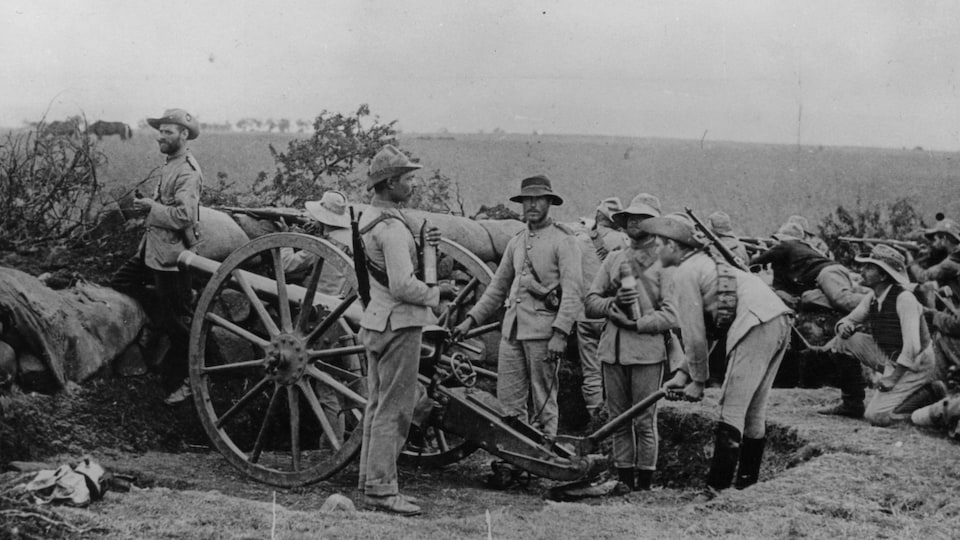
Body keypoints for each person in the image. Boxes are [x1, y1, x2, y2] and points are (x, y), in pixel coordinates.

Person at [646, 215, 793, 493]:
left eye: (659, 245)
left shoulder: (686, 273)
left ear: (674, 246)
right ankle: (746, 487)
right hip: (777, 319)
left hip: (756, 322)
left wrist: (698, 382)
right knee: (753, 412)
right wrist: (684, 374)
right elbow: (713, 330)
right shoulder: (705, 264)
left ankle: (716, 491)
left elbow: (694, 334)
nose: (655, 251)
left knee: (732, 408)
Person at [356, 144, 453, 516]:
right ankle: (382, 491)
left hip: (378, 321)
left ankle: (370, 482)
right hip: (401, 323)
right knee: (395, 410)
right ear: (391, 182)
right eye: (408, 178)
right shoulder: (392, 230)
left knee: (377, 405)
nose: (412, 184)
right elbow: (402, 286)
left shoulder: (371, 220)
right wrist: (437, 292)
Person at [452, 175, 583, 438]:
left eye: (538, 199)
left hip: (543, 334)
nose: (532, 205)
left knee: (544, 398)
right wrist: (470, 320)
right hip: (512, 332)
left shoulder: (564, 241)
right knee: (509, 399)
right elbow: (497, 288)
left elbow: (572, 292)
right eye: (527, 200)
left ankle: (547, 452)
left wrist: (560, 334)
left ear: (549, 202)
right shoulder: (517, 242)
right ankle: (515, 455)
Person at [584, 193, 678, 492]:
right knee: (617, 421)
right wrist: (612, 303)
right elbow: (590, 301)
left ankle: (645, 485)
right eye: (631, 217)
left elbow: (673, 315)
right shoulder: (614, 259)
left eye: (643, 217)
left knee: (643, 421)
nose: (635, 222)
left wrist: (636, 323)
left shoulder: (666, 265)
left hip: (647, 353)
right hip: (613, 351)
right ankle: (624, 482)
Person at [110, 108, 202, 406]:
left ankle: (192, 381)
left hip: (172, 259)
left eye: (168, 132)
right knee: (121, 281)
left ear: (184, 135)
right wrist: (149, 206)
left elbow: (185, 216)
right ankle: (163, 313)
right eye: (160, 131)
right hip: (153, 251)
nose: (160, 137)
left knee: (179, 327)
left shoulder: (188, 170)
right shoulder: (171, 163)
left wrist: (152, 208)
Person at [820, 245, 936, 426]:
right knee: (844, 340)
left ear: (883, 276)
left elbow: (912, 347)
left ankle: (930, 395)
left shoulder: (904, 299)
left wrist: (893, 379)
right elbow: (849, 320)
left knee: (877, 417)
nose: (862, 271)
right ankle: (852, 403)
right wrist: (844, 326)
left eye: (869, 268)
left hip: (915, 365)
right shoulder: (873, 297)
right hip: (890, 356)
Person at [575, 197, 629, 424]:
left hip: (586, 314)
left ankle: (595, 420)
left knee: (591, 372)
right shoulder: (624, 241)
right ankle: (615, 422)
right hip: (613, 315)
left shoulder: (579, 240)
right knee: (618, 373)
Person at [750, 221, 867, 313]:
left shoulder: (787, 245)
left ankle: (877, 306)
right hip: (827, 275)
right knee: (809, 299)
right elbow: (780, 286)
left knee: (842, 301)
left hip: (827, 273)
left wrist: (752, 258)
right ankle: (866, 298)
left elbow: (757, 262)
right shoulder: (796, 252)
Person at [279, 190, 353, 295]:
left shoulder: (321, 245)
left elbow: (287, 264)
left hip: (321, 299)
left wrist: (285, 236)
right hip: (343, 295)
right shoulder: (350, 235)